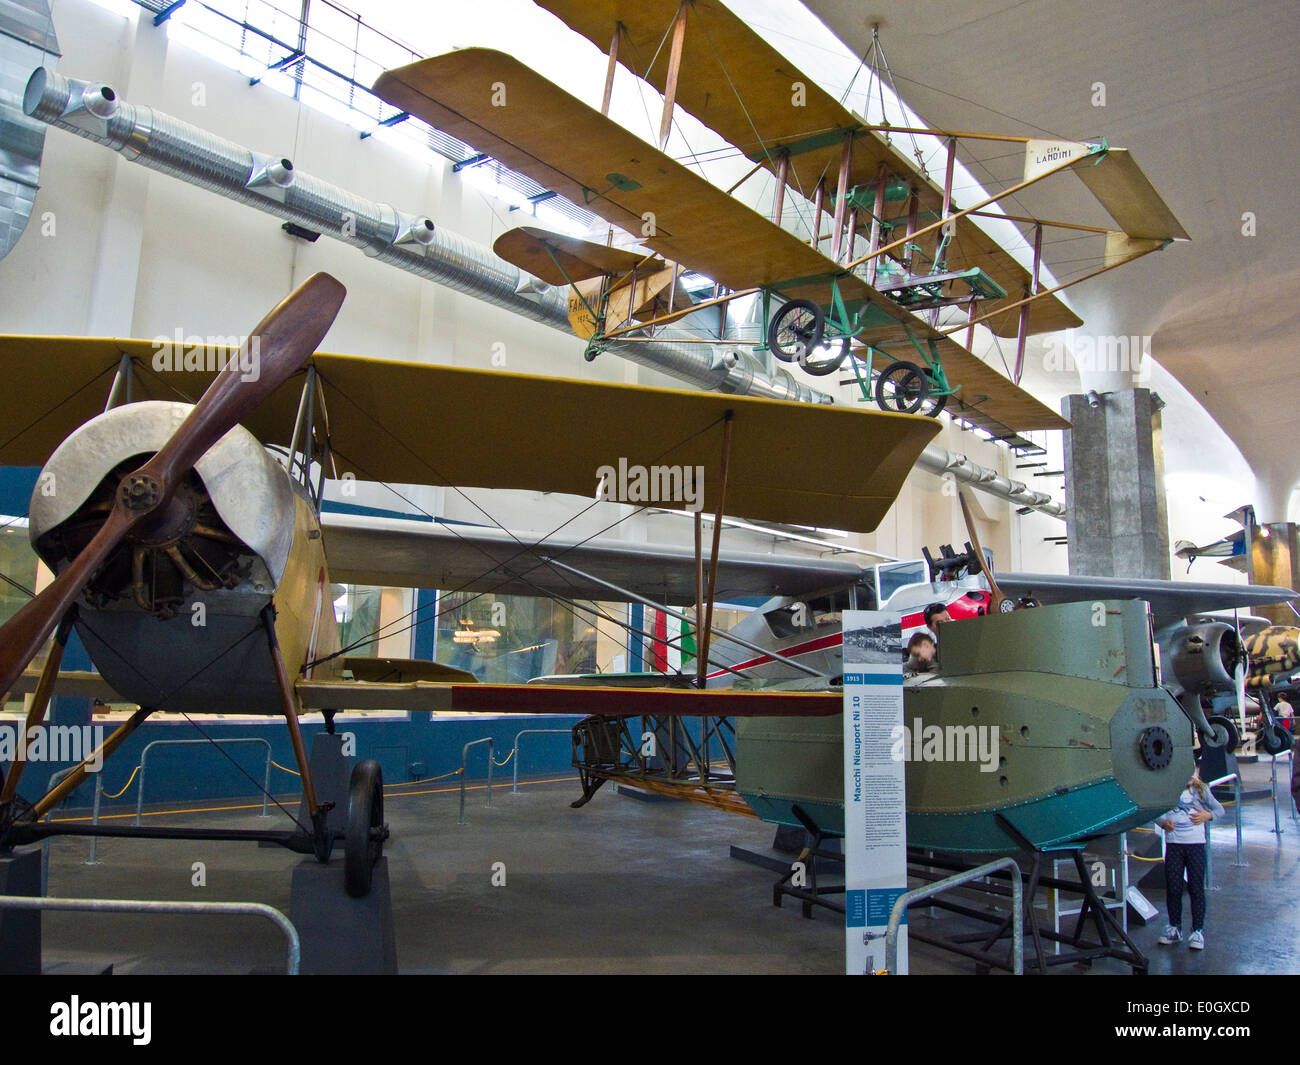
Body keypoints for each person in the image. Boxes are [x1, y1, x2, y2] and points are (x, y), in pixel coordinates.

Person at [1155, 769, 1225, 949]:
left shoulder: (1201, 790)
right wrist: (1163, 822)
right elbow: (1153, 811)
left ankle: (1198, 931)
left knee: (1196, 888)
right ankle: (1174, 927)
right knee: (1173, 888)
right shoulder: (1166, 789)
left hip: (1196, 846)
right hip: (1174, 846)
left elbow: (1219, 809)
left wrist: (1207, 815)